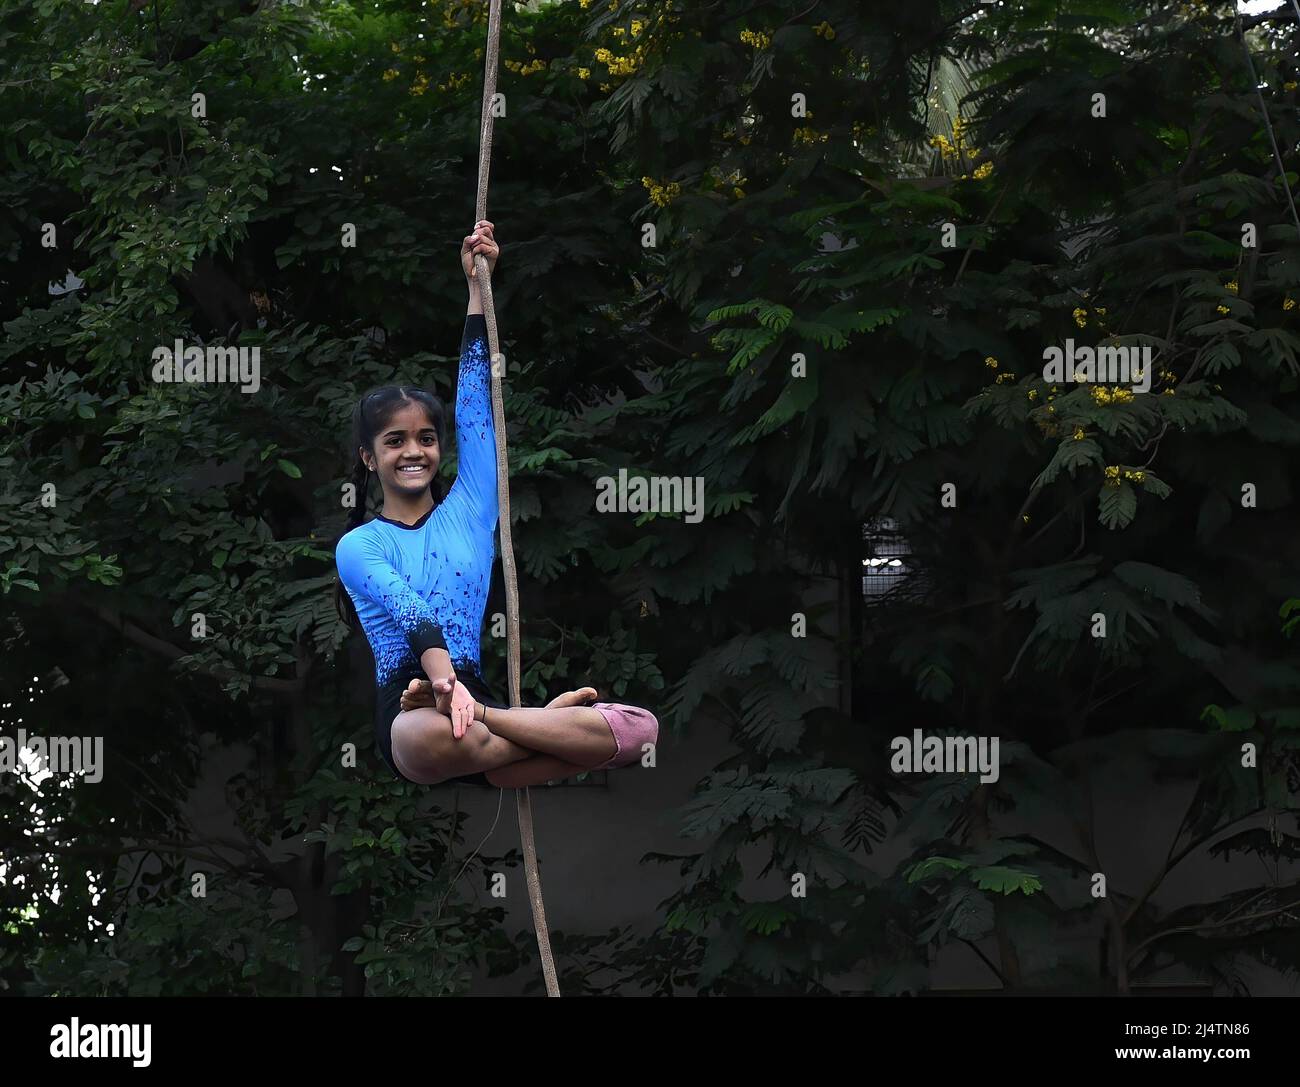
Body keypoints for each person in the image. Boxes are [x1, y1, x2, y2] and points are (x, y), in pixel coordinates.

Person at [334, 220, 658, 788]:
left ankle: (503, 735)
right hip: (417, 716)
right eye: (395, 441)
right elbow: (415, 616)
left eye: (426, 439)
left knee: (640, 730)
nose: (414, 452)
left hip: (477, 710)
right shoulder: (360, 545)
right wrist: (441, 688)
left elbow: (478, 406)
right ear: (368, 458)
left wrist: (478, 289)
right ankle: (532, 733)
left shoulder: (472, 508)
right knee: (434, 734)